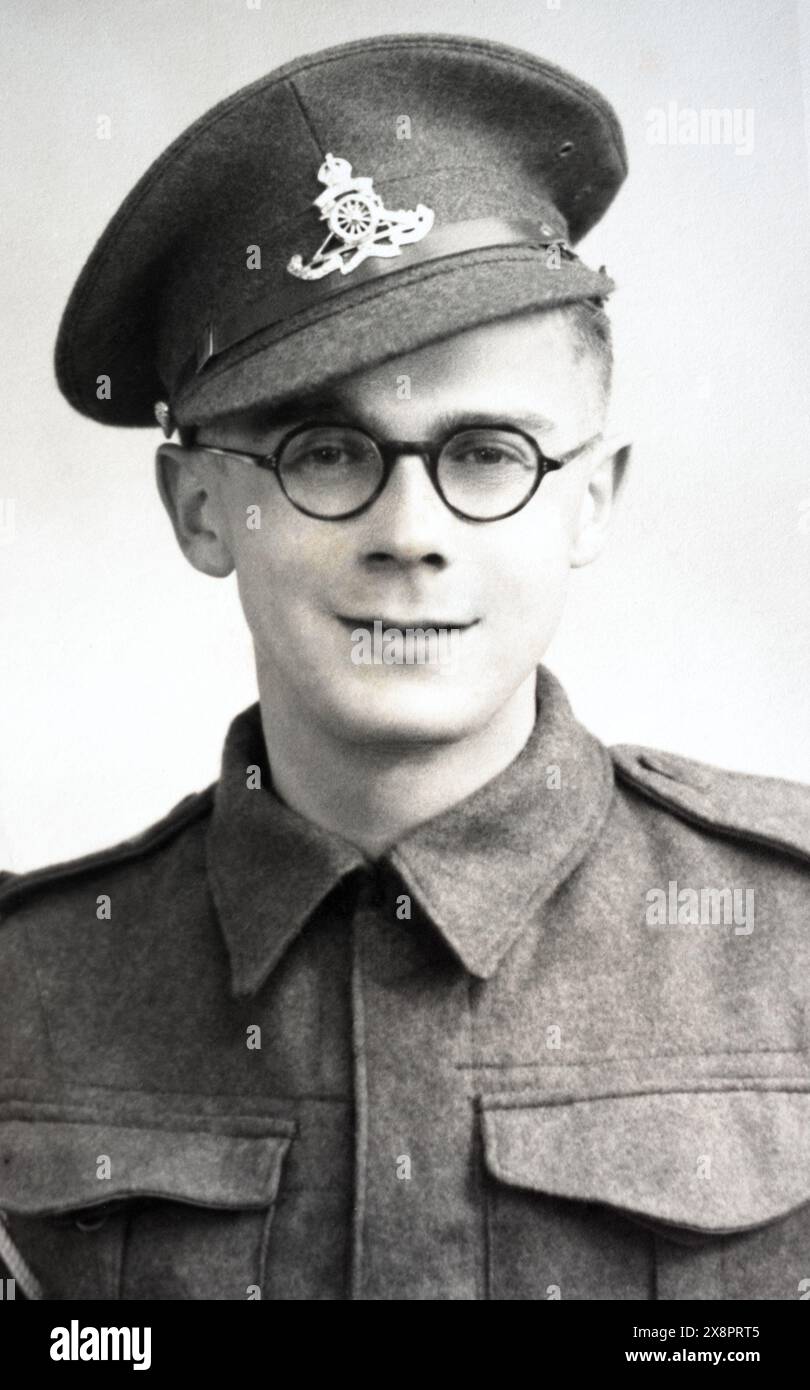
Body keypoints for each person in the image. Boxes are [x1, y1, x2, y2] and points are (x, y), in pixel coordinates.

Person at [1, 32, 808, 1303]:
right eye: (326, 452)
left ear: (590, 500)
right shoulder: (26, 993)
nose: (411, 534)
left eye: (489, 452)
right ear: (200, 507)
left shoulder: (792, 944)